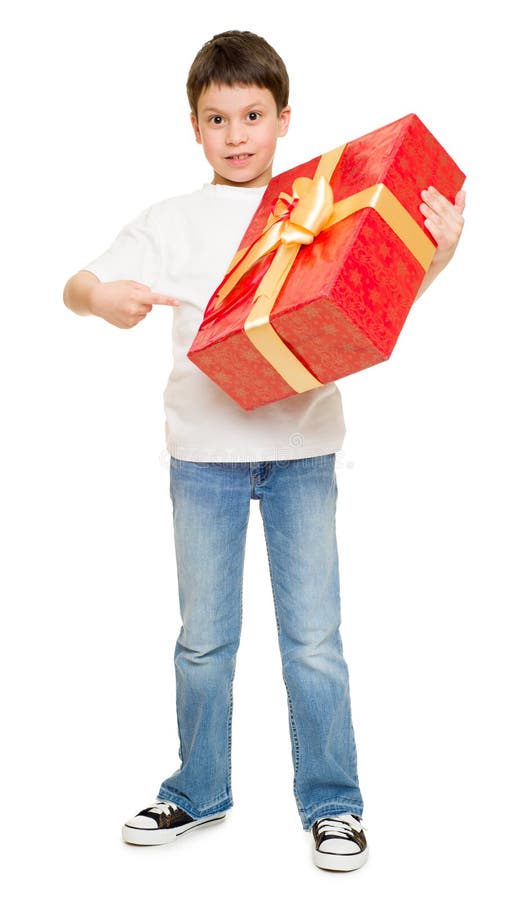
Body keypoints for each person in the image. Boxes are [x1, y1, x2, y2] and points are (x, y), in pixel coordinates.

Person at [63, 30, 465, 872]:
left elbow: (373, 294)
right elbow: (78, 284)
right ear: (194, 127)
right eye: (217, 118)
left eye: (253, 115)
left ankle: (333, 805)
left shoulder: (315, 201)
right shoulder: (169, 219)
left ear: (285, 120)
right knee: (203, 638)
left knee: (313, 639)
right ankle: (196, 790)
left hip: (303, 453)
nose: (237, 134)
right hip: (201, 458)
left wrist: (441, 248)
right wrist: (105, 298)